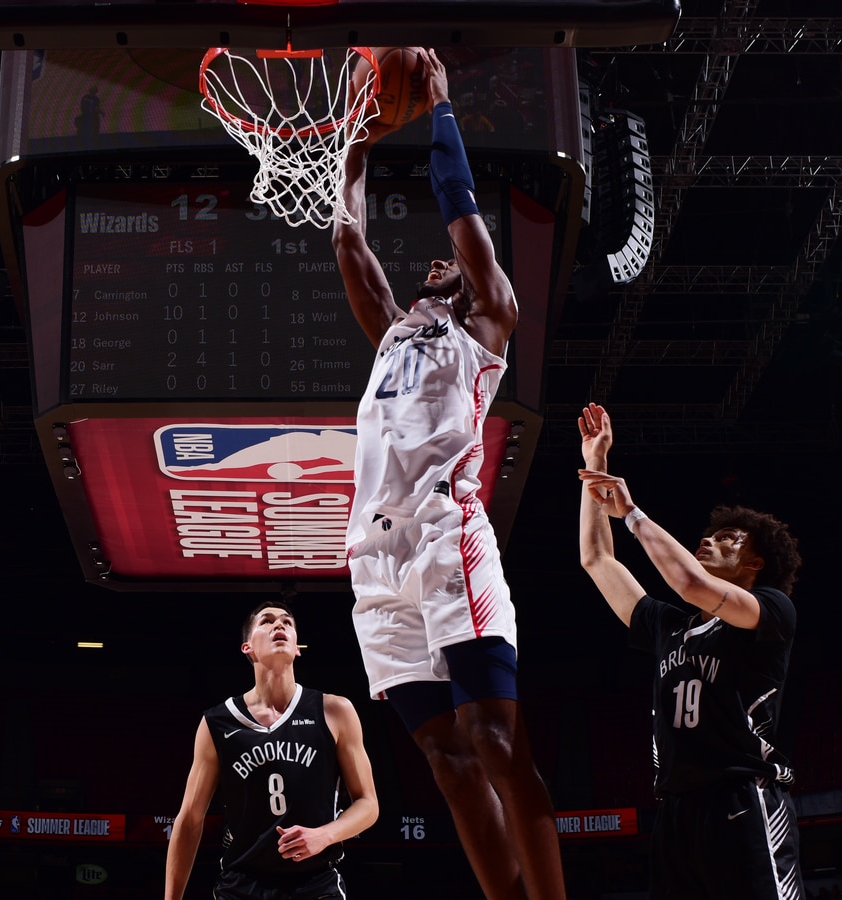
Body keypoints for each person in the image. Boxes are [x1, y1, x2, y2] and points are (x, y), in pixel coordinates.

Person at [330, 48, 565, 900]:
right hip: (374, 560)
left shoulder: (489, 321)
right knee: (445, 759)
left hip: (445, 534)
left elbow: (457, 202)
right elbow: (348, 236)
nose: (438, 265)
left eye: (451, 264)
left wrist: (437, 105)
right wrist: (356, 144)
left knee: (494, 743)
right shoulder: (395, 332)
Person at [576, 402, 804, 899]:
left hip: (742, 798)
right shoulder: (669, 627)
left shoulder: (771, 611)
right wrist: (595, 469)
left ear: (756, 563)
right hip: (675, 810)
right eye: (710, 534)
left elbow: (689, 583)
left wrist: (631, 513)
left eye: (728, 538)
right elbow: (596, 559)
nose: (708, 540)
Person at [165, 601, 379, 899]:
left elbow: (368, 804)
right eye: (267, 621)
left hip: (316, 882)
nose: (279, 625)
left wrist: (324, 835)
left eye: (287, 622)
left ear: (297, 648)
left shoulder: (334, 710)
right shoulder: (218, 721)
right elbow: (190, 819)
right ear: (247, 647)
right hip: (242, 883)